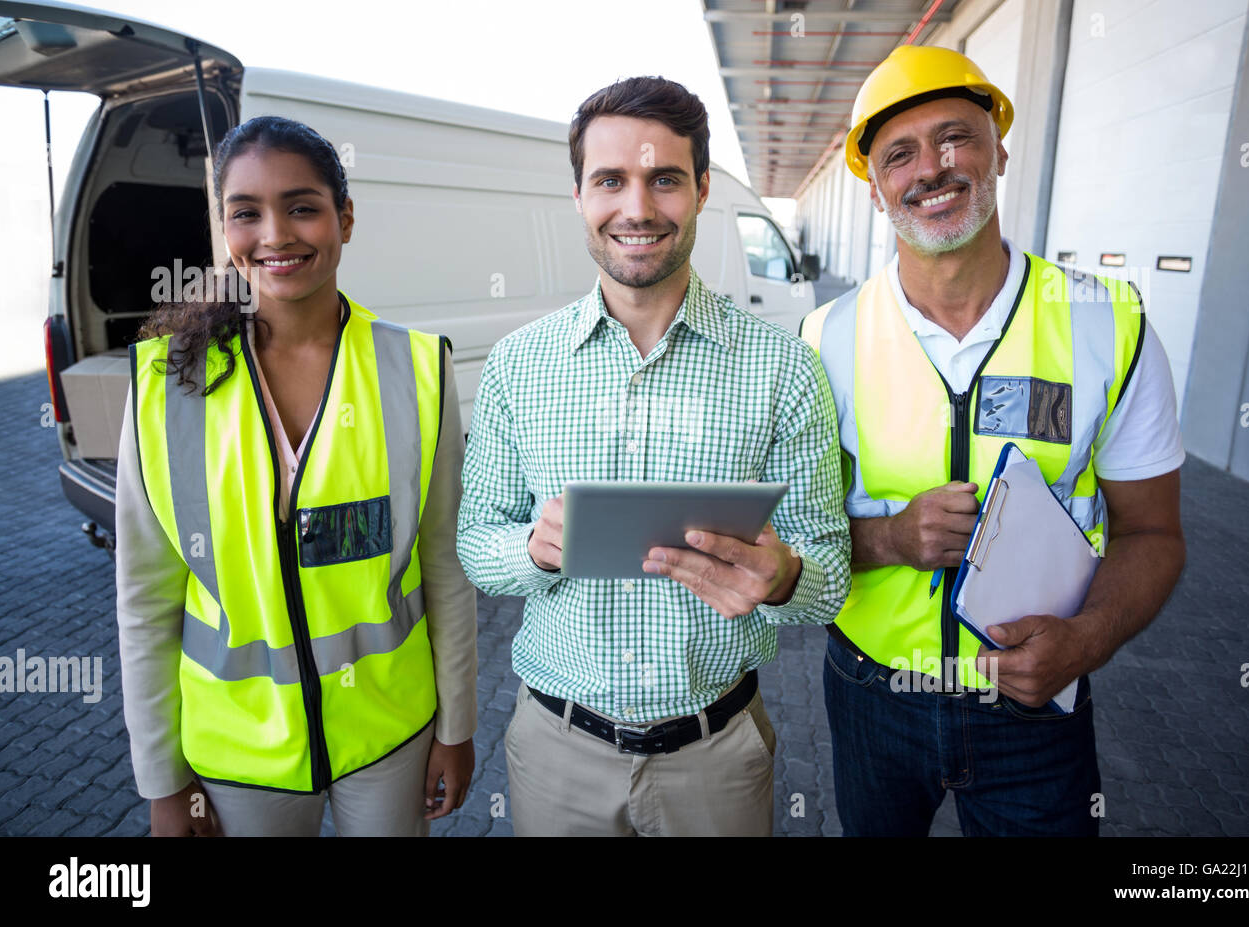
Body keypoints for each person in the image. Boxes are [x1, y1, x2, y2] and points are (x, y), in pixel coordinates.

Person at [801, 45, 1186, 837]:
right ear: (876, 190)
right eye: (899, 153)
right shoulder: (824, 339)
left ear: (999, 148)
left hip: (1034, 699)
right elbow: (792, 538)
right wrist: (890, 534)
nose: (932, 169)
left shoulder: (1107, 322)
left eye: (956, 137)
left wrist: (1084, 641)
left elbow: (1154, 532)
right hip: (876, 693)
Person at [456, 77, 849, 837]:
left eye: (664, 179)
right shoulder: (517, 366)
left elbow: (828, 573)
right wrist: (532, 551)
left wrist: (786, 576)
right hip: (555, 751)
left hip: (717, 757)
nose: (637, 209)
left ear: (702, 189)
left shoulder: (783, 368)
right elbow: (476, 543)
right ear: (578, 194)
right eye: (611, 180)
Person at [115, 116, 477, 836]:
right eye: (246, 212)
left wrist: (457, 726)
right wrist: (162, 780)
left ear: (345, 218)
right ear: (223, 227)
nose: (275, 234)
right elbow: (145, 599)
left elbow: (445, 567)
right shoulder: (163, 384)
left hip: (391, 732)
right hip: (237, 750)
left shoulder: (417, 369)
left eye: (302, 206)